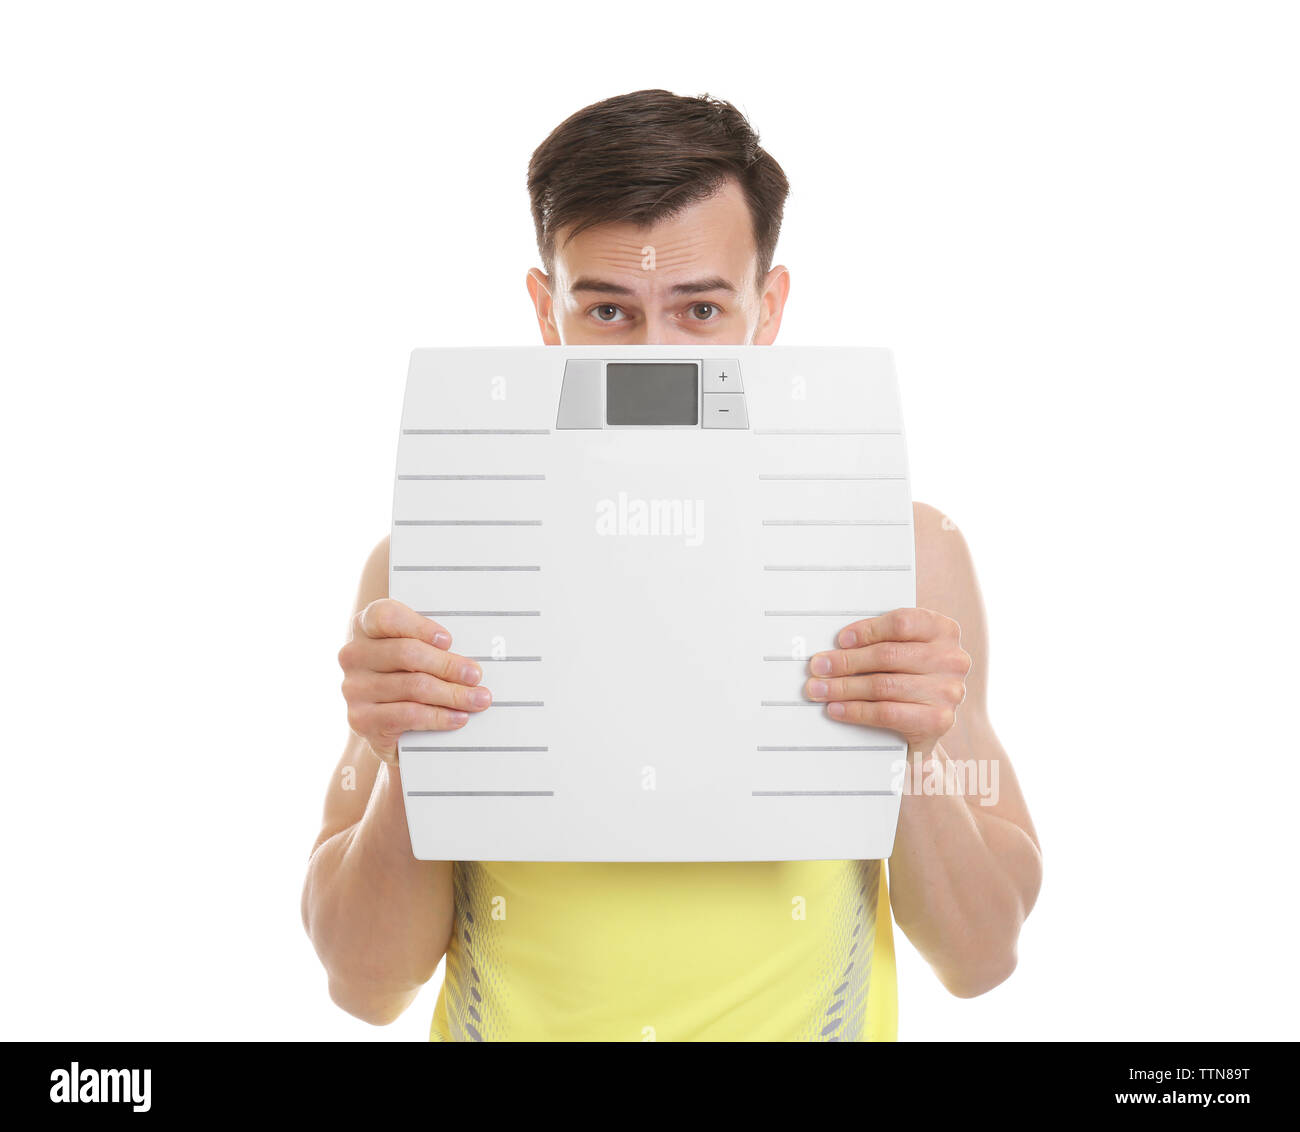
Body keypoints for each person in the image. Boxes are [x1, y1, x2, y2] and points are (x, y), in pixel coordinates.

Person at [302, 89, 1042, 1041]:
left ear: (766, 310)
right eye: (609, 309)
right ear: (546, 310)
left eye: (699, 308)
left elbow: (982, 960)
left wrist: (913, 754)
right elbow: (364, 986)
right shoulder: (432, 560)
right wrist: (415, 765)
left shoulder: (901, 555)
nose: (655, 359)